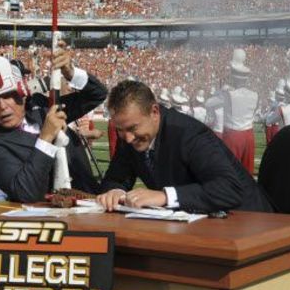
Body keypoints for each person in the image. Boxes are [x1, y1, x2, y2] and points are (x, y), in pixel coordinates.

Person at [96, 80, 272, 213]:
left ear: (154, 112)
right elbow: (116, 178)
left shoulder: (189, 134)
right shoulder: (130, 135)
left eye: (133, 128)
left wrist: (165, 196)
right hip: (197, 223)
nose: (127, 138)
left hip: (248, 220)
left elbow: (229, 189)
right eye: (120, 130)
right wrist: (115, 192)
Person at [0, 48, 106, 202]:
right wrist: (45, 138)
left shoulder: (43, 108)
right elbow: (26, 192)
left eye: (8, 95)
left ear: (22, 94)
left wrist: (71, 72)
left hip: (91, 204)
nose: (2, 106)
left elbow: (97, 94)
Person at [215, 49, 258, 174]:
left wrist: (221, 92)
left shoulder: (228, 94)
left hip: (232, 134)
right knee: (247, 173)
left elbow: (209, 104)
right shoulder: (254, 94)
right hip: (249, 135)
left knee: (230, 171)